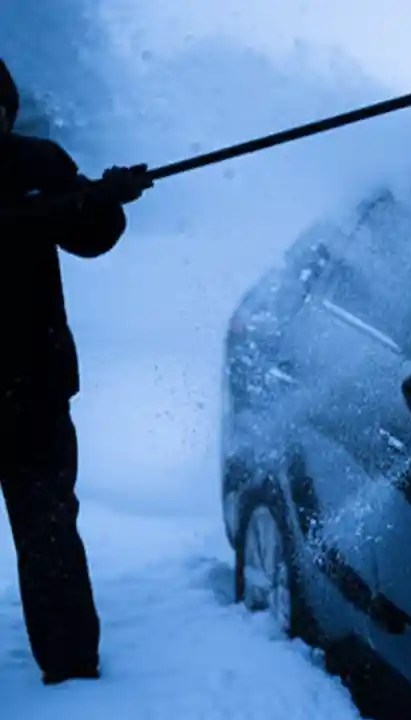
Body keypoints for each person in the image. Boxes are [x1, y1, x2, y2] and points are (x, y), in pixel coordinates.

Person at [0, 58, 152, 685]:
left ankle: (69, 667)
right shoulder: (33, 166)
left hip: (31, 388)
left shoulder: (38, 163)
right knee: (49, 529)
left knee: (48, 532)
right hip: (33, 382)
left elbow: (88, 237)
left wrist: (102, 200)